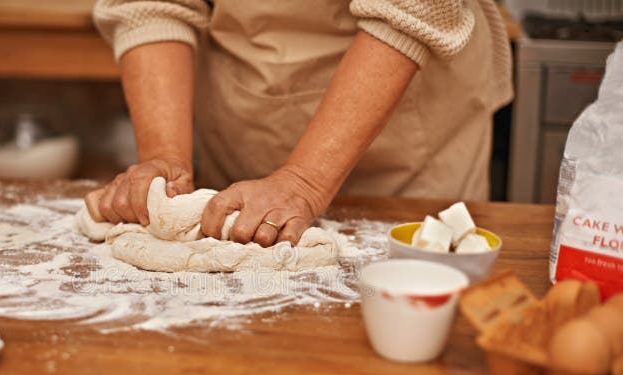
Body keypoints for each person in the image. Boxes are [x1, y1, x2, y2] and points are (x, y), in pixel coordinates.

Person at [84, 0, 512, 247]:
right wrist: (165, 156)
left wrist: (305, 181)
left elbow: (415, 4)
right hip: (249, 106)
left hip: (409, 128)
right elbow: (151, 4)